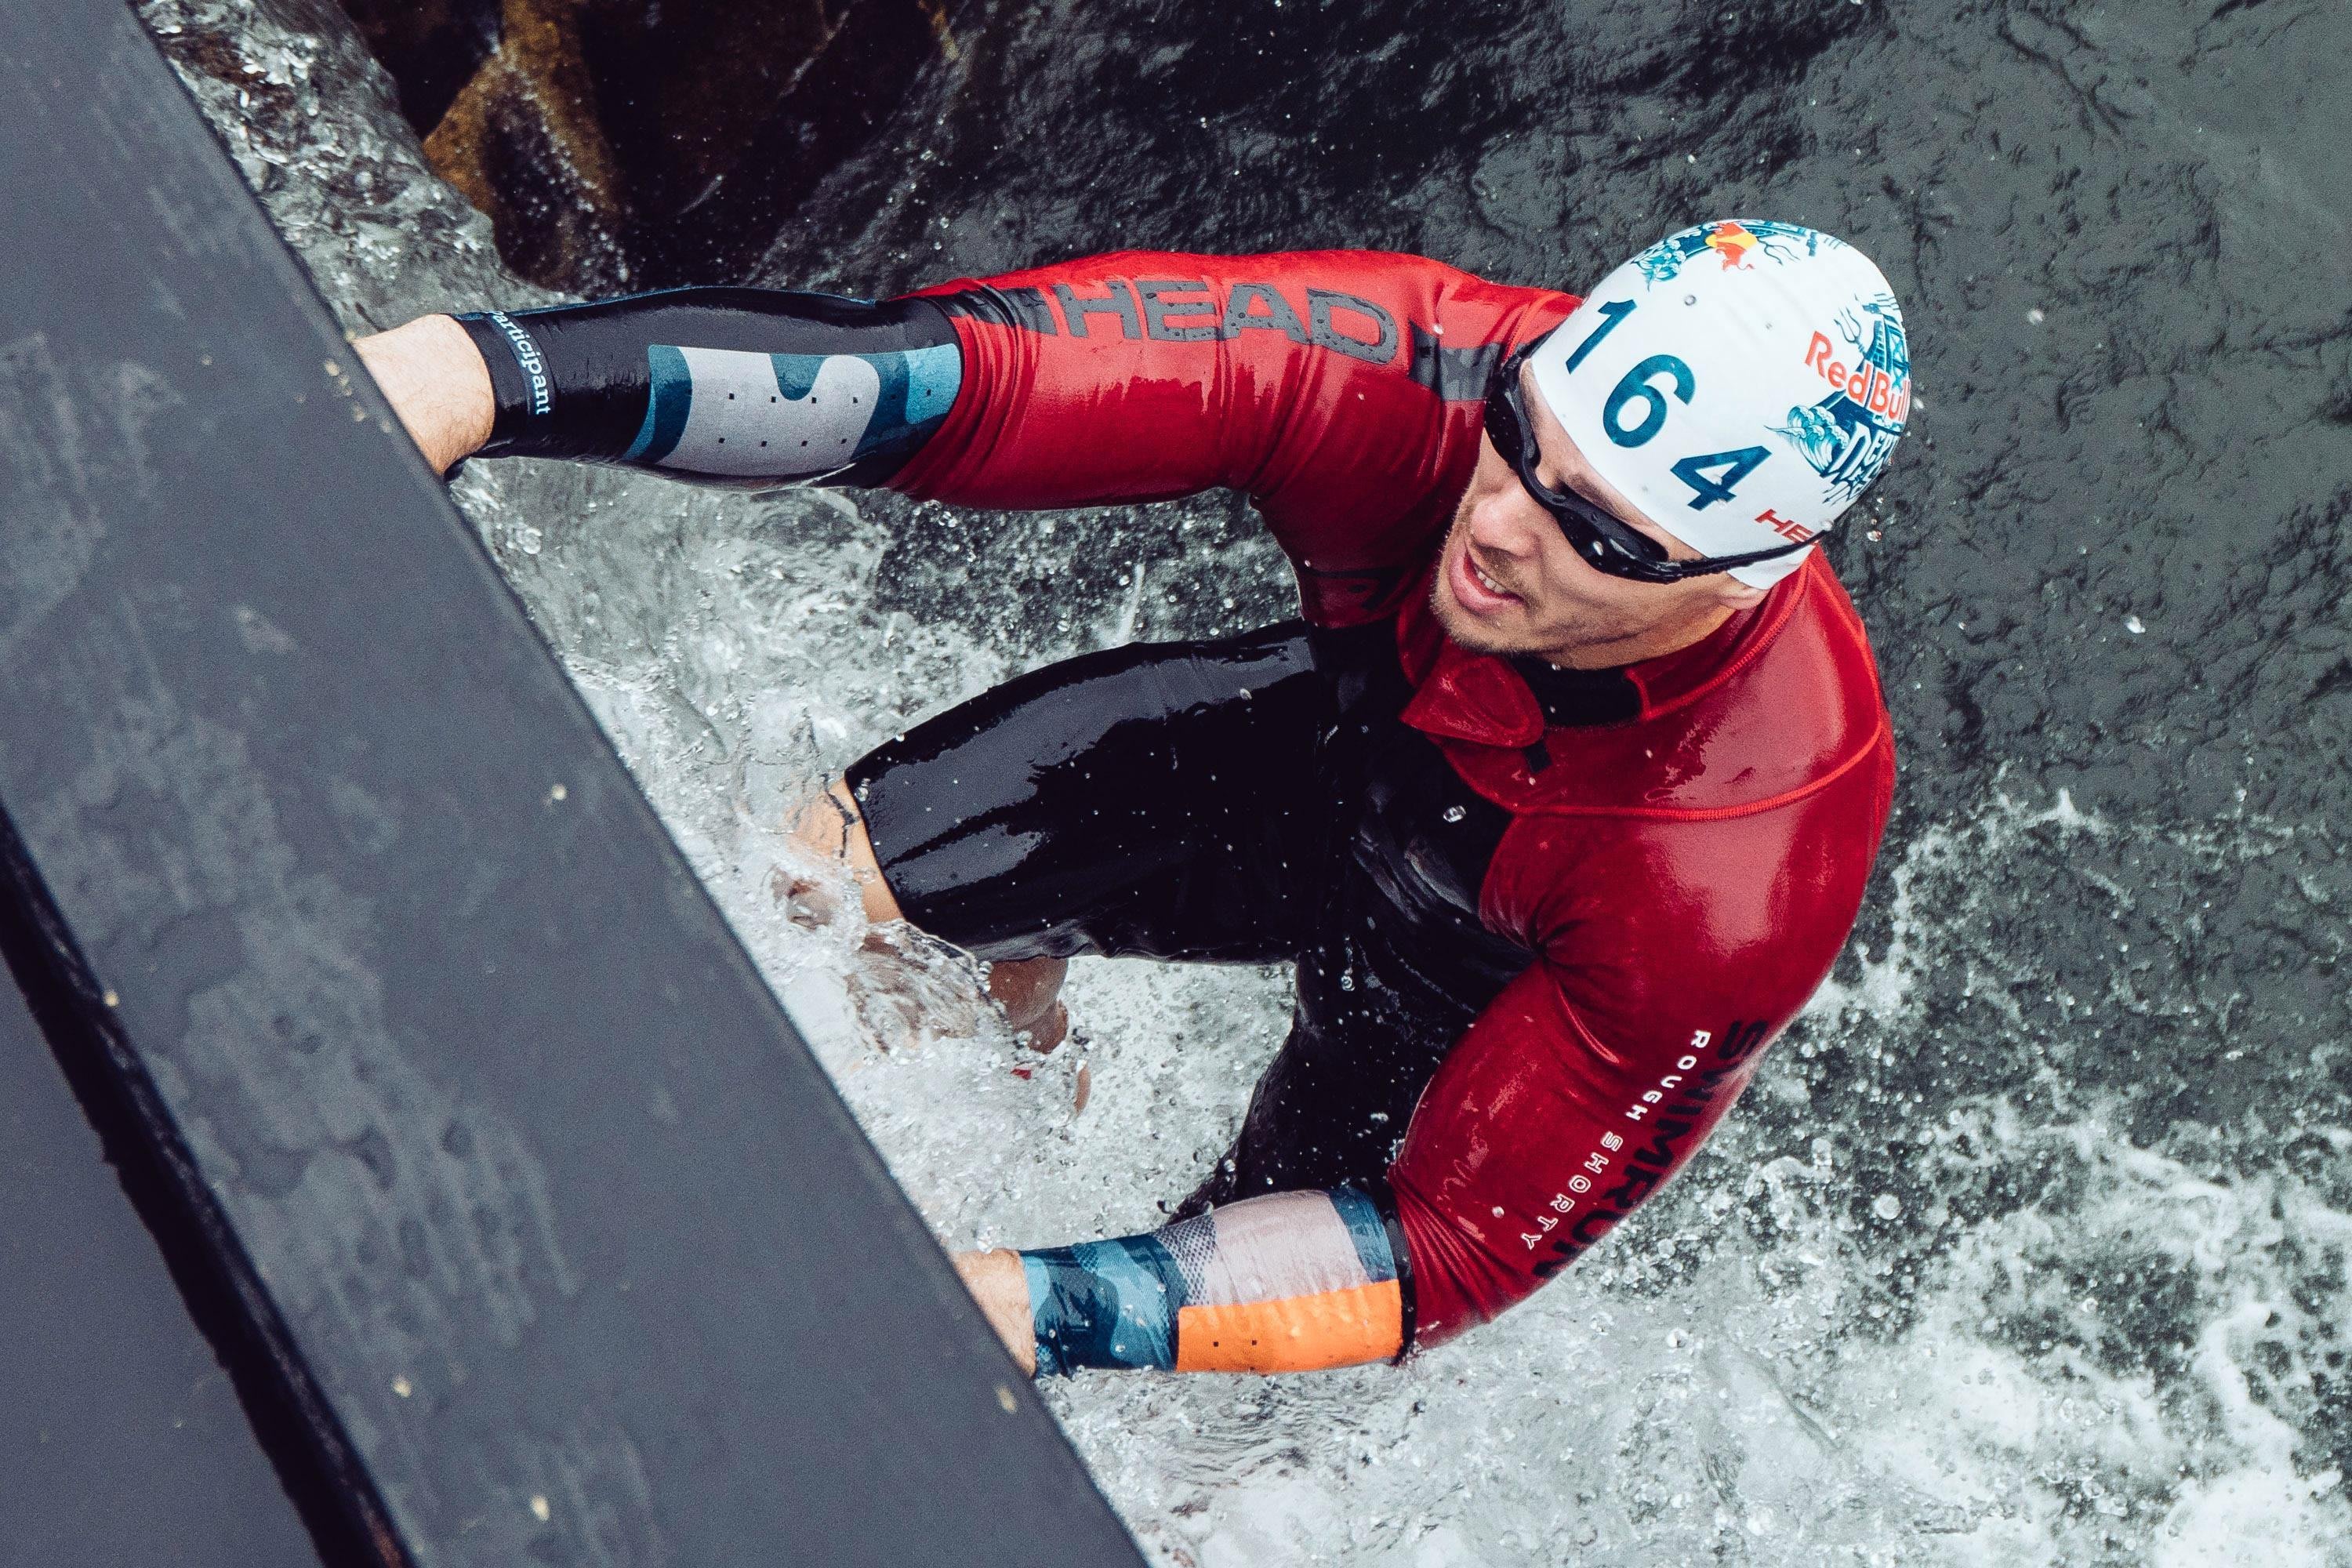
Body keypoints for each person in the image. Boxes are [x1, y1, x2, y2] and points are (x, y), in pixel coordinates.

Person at [355, 221, 1909, 1377]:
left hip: (1470, 979)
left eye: (1604, 541)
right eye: (1517, 443)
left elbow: (1448, 1250)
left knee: (1187, 1379)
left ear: (1741, 578)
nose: (1501, 525)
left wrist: (1025, 1308)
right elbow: (946, 381)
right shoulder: (1427, 362)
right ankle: (1019, 1061)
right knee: (828, 873)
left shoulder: (1743, 858)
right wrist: (486, 374)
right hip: (1343, 739)